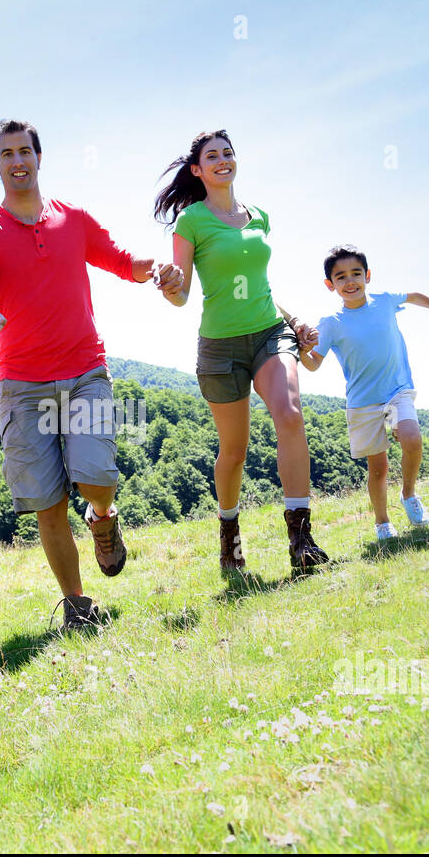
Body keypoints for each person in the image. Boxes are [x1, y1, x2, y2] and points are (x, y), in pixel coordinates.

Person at [0, 119, 159, 630]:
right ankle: (77, 605)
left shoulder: (74, 219)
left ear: (39, 158)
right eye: (7, 154)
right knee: (47, 503)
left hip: (84, 369)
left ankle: (103, 518)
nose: (18, 161)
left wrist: (157, 269)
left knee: (95, 477)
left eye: (26, 151)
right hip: (24, 384)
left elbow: (120, 260)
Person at [153, 130, 329, 576]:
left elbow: (260, 287)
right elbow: (183, 293)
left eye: (228, 153)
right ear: (197, 170)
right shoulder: (191, 221)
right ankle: (229, 536)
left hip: (269, 332)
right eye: (211, 156)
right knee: (234, 451)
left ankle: (301, 539)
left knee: (289, 415)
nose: (222, 160)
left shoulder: (260, 217)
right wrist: (171, 286)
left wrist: (293, 321)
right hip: (220, 347)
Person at [301, 245, 429, 540]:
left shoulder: (385, 302)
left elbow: (414, 296)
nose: (350, 281)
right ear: (330, 285)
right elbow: (313, 364)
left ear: (367, 275)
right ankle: (382, 522)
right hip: (363, 402)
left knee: (412, 438)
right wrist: (302, 349)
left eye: (356, 273)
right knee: (378, 468)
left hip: (397, 390)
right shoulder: (330, 324)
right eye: (341, 277)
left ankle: (409, 494)